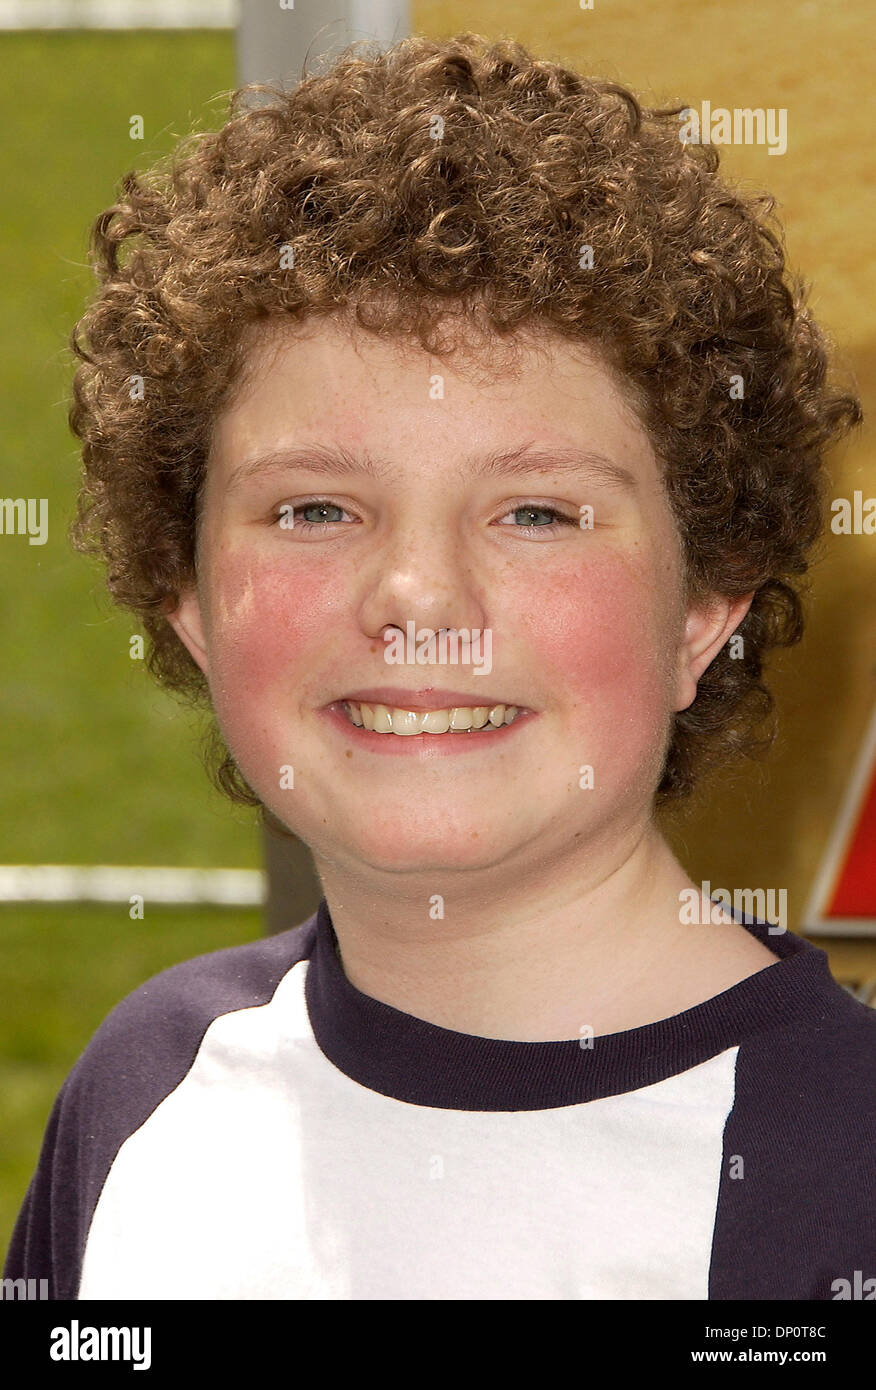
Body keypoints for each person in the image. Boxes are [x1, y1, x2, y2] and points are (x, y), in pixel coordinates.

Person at [6, 32, 872, 1300]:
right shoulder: (148, 1089)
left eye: (536, 513)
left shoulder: (845, 1176)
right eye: (313, 510)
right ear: (189, 600)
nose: (417, 598)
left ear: (703, 608)